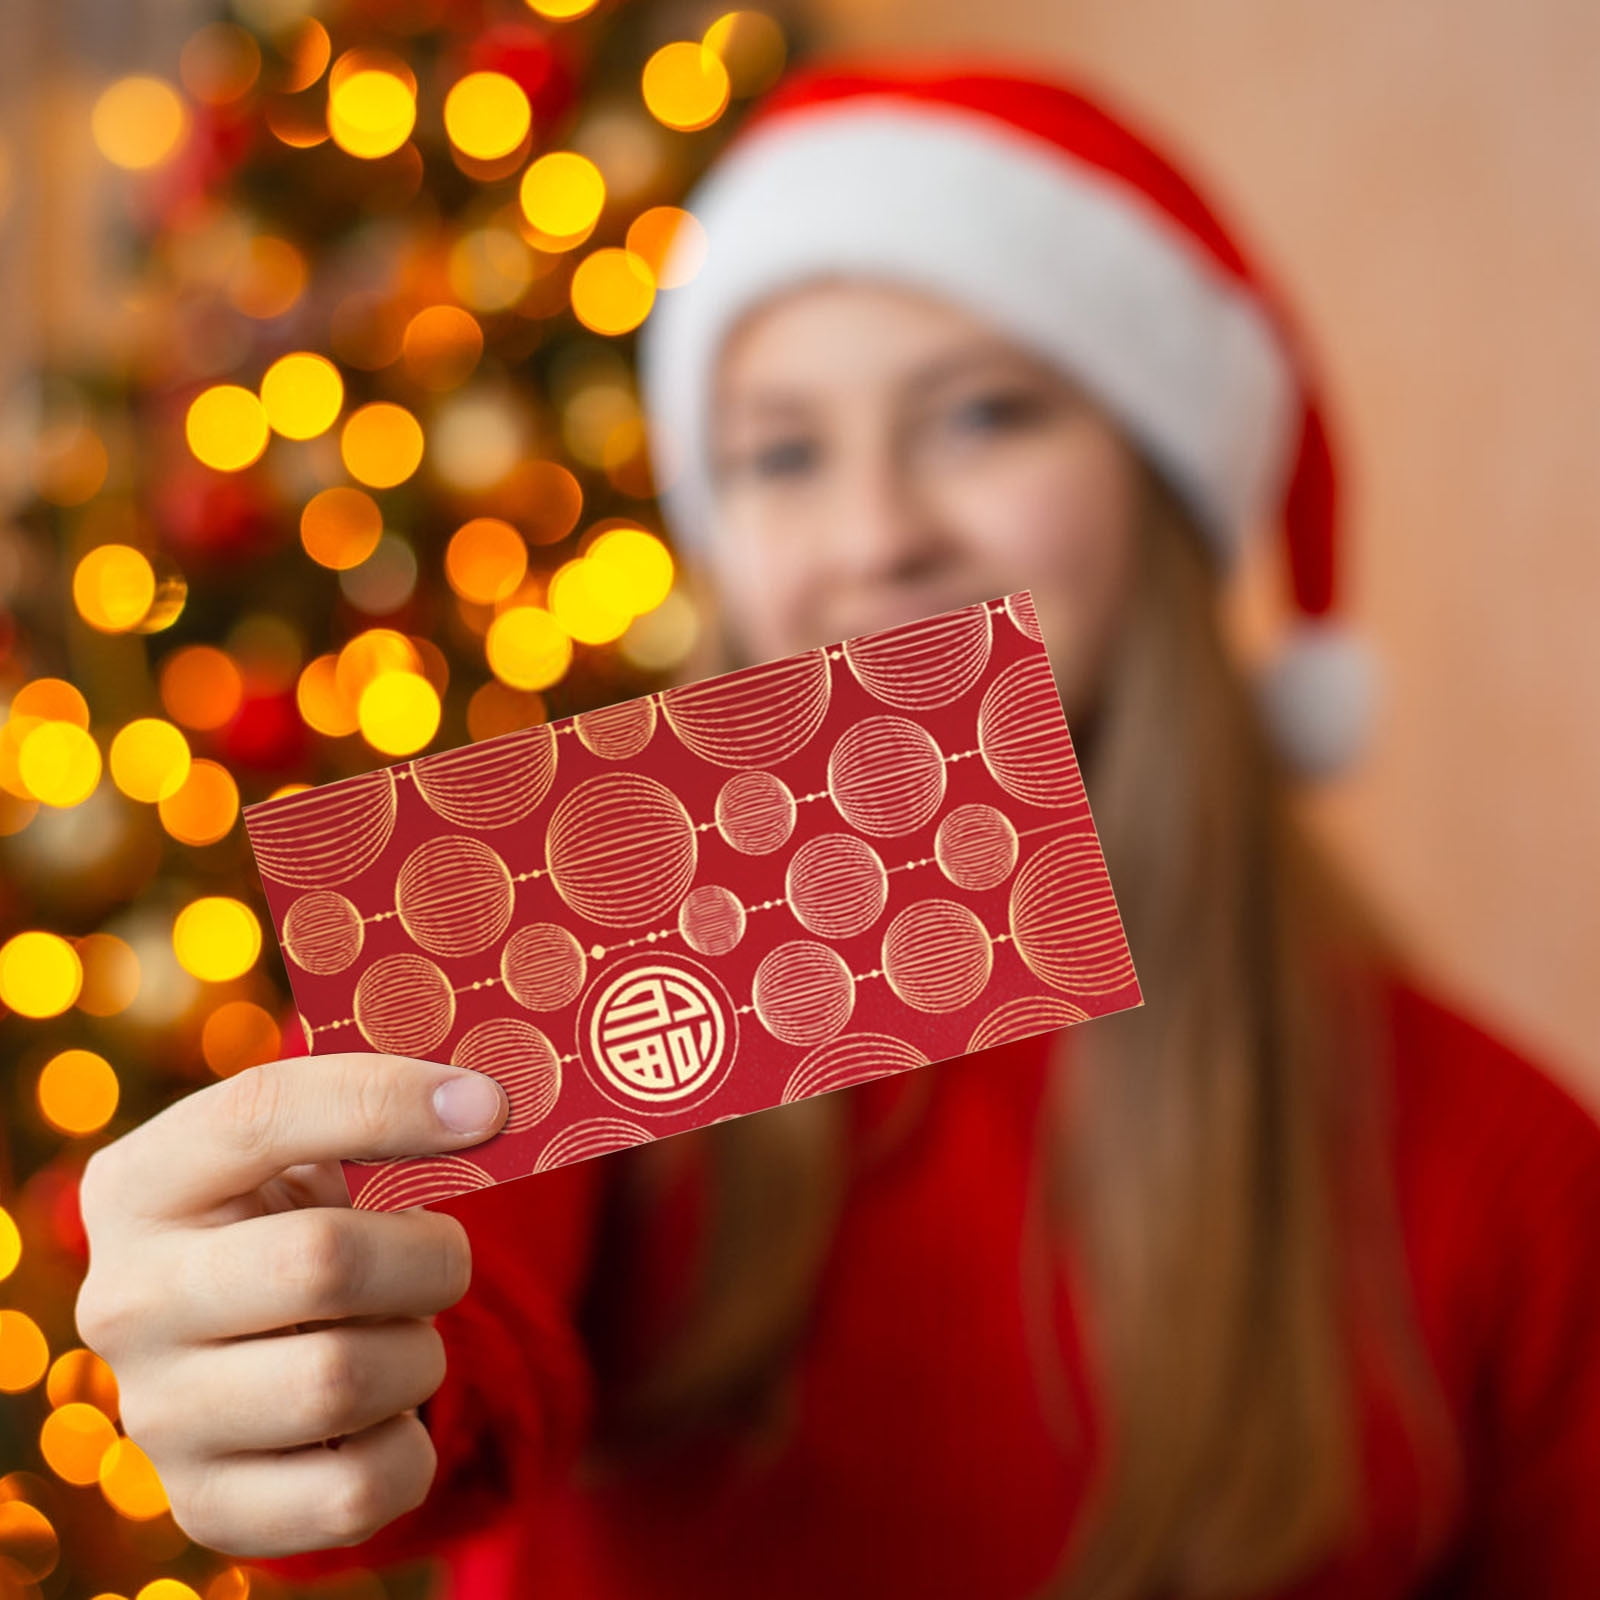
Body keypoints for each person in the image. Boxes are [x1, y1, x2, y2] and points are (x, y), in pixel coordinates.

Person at [74, 57, 1600, 1600]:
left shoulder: (1510, 1168)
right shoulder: (598, 949)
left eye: (985, 416)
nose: (878, 534)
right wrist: (285, 1342)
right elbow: (434, 1335)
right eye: (784, 452)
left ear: (1166, 485)